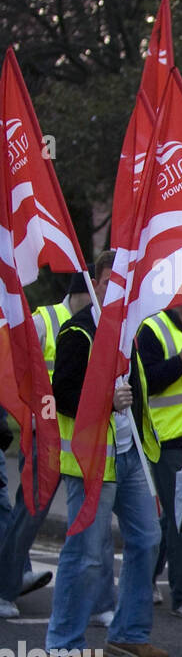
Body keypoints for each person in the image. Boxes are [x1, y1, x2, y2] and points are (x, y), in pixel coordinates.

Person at [46, 276, 166, 657]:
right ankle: (64, 642)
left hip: (128, 455)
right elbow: (61, 396)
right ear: (98, 284)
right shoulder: (78, 331)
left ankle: (129, 634)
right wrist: (104, 401)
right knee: (86, 552)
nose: (127, 293)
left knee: (148, 539)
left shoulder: (126, 328)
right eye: (119, 284)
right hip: (93, 458)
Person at [0, 260, 108, 620]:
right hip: (46, 439)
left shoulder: (102, 324)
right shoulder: (44, 320)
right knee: (29, 514)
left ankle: (99, 601)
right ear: (83, 290)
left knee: (93, 520)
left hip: (85, 440)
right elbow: (16, 370)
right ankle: (4, 589)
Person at [138, 303, 182, 618]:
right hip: (167, 438)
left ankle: (144, 578)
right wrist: (179, 362)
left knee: (175, 519)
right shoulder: (152, 328)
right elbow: (145, 381)